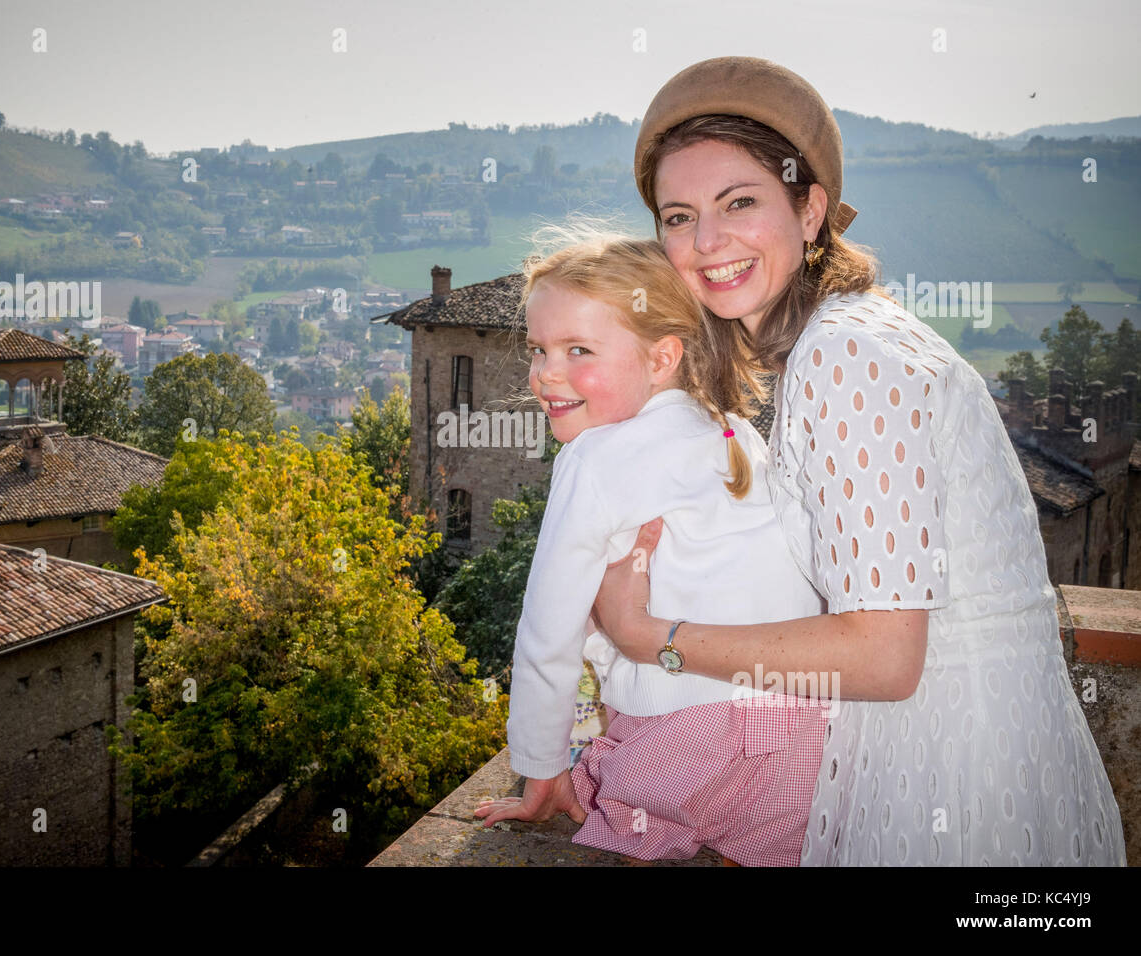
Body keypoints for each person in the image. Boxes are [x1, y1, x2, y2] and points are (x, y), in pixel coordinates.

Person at [588, 56, 1127, 865]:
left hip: (940, 777)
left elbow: (882, 655)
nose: (705, 243)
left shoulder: (848, 357)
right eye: (677, 216)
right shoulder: (846, 337)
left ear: (810, 211)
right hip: (968, 758)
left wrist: (647, 636)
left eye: (740, 203)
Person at [471, 225, 829, 865]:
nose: (548, 374)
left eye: (578, 350)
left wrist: (540, 765)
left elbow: (547, 632)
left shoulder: (594, 458)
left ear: (662, 357)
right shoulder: (734, 433)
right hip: (798, 726)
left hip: (683, 736)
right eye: (538, 350)